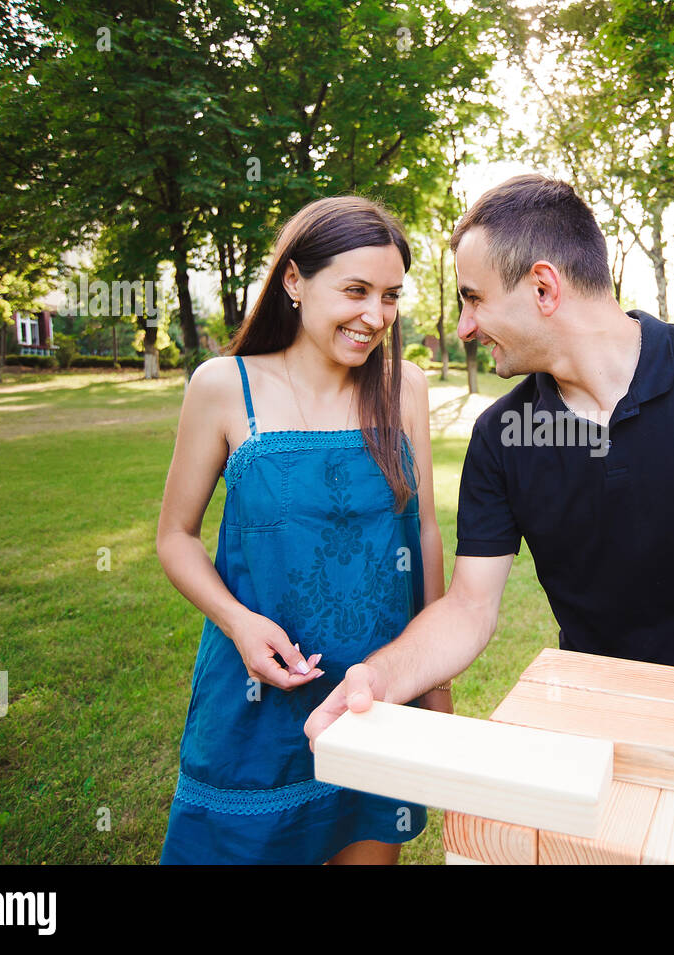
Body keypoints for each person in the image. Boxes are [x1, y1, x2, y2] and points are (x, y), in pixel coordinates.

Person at [304, 175, 674, 865]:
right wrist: (377, 678)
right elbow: (470, 607)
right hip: (593, 769)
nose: (464, 325)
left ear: (543, 287)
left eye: (473, 299)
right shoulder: (503, 438)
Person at [155, 195, 448, 864]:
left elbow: (425, 532)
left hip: (375, 696)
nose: (376, 316)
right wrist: (236, 620)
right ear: (294, 281)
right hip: (256, 702)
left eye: (391, 296)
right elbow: (176, 535)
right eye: (356, 290)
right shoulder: (223, 385)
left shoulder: (406, 388)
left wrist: (433, 679)